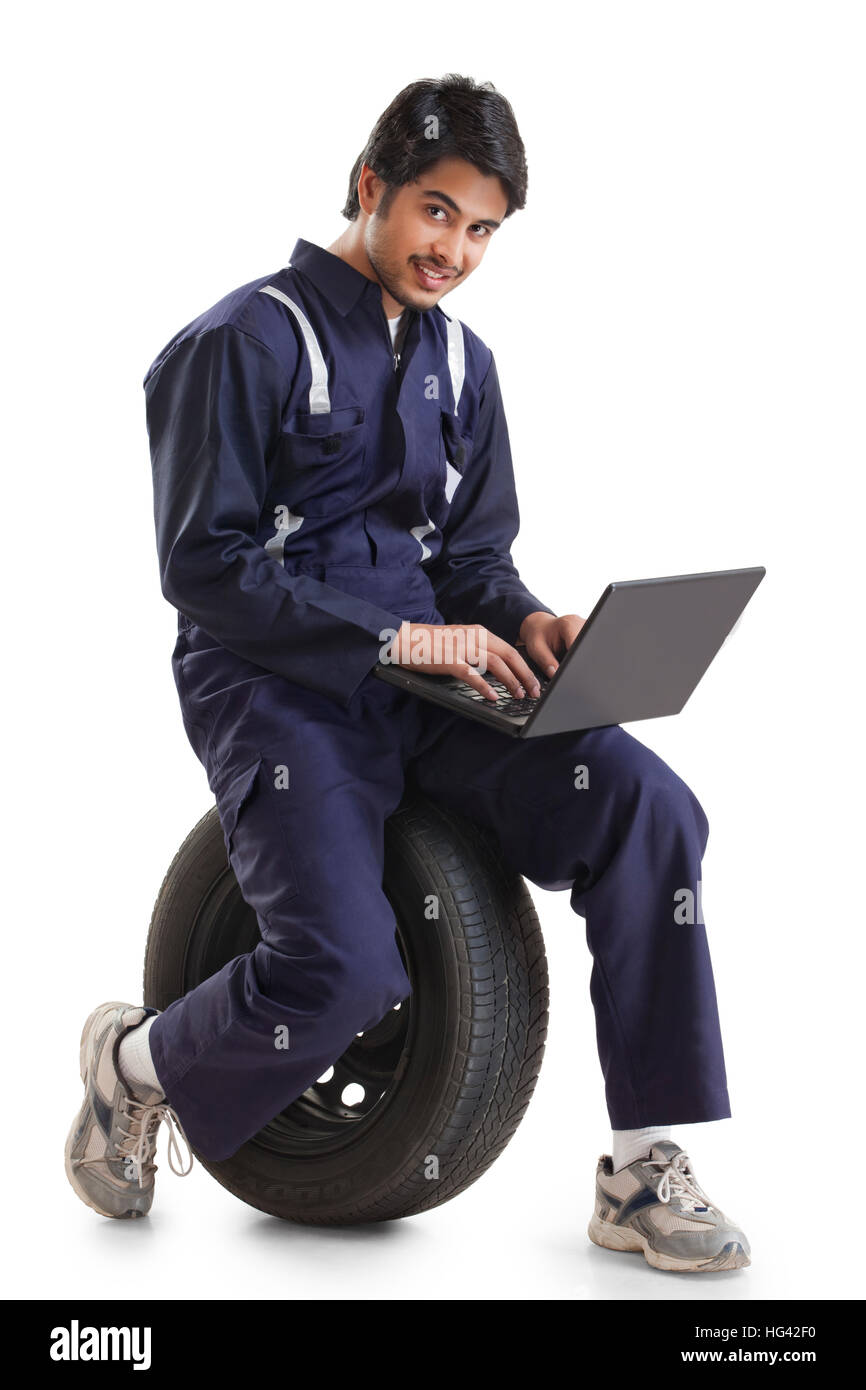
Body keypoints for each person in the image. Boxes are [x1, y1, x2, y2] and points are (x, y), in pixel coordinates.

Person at [65, 74, 750, 1273]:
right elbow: (202, 566)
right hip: (275, 684)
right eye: (437, 213)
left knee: (647, 806)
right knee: (343, 971)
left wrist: (528, 622)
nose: (457, 251)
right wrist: (388, 639)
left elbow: (472, 560)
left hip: (433, 684)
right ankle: (132, 1061)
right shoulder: (240, 340)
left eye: (482, 230)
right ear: (371, 186)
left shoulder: (464, 367)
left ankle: (641, 1169)